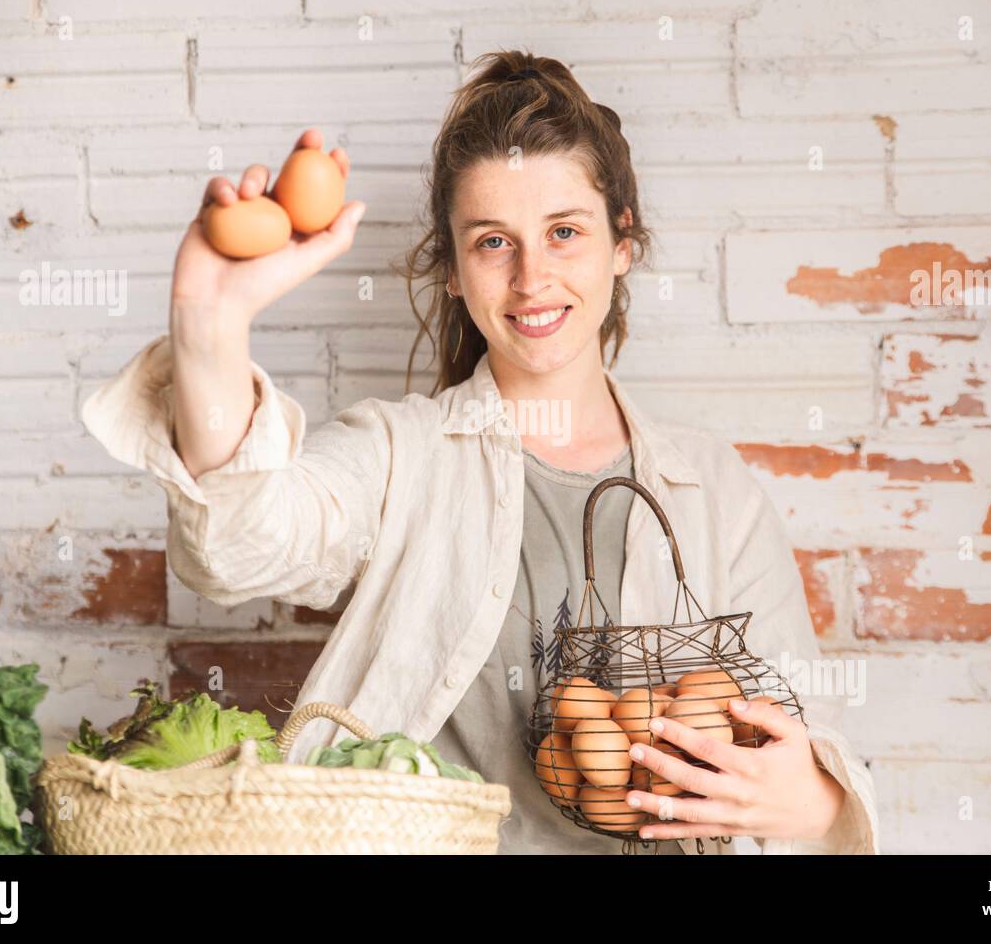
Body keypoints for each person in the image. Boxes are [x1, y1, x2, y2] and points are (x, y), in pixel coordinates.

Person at [81, 49, 879, 855]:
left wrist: (810, 805)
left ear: (622, 241)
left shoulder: (713, 492)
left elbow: (807, 750)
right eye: (495, 242)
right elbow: (234, 550)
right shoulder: (401, 455)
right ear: (455, 270)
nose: (533, 278)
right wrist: (207, 324)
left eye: (564, 232)